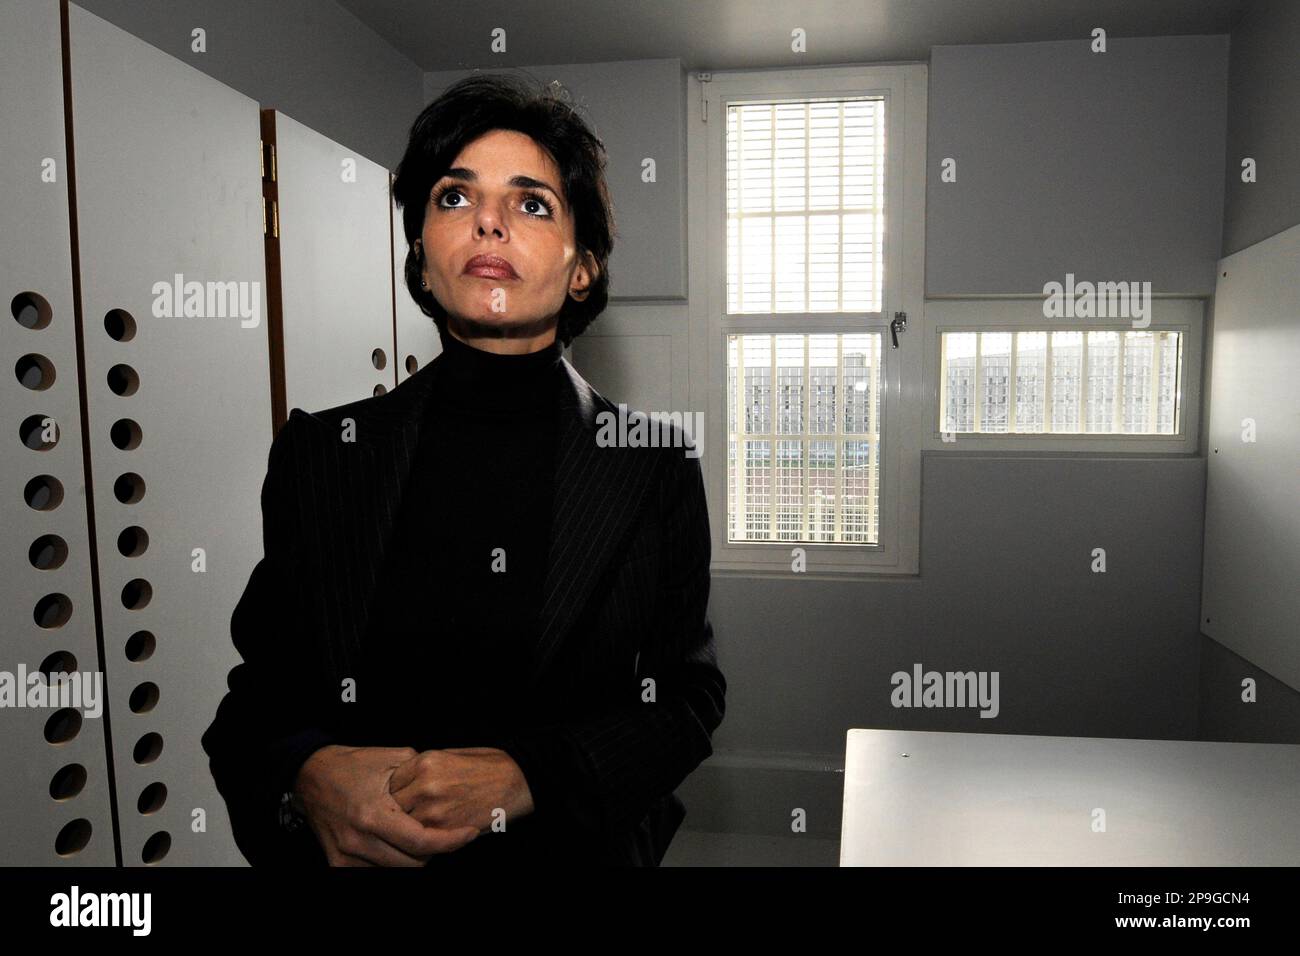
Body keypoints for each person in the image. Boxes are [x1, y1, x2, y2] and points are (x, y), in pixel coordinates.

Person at [200, 72, 725, 867]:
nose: (487, 221)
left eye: (532, 203)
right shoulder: (320, 455)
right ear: (421, 253)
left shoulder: (654, 467)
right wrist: (304, 775)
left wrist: (530, 776)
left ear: (582, 267)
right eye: (454, 198)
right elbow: (255, 705)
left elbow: (688, 702)